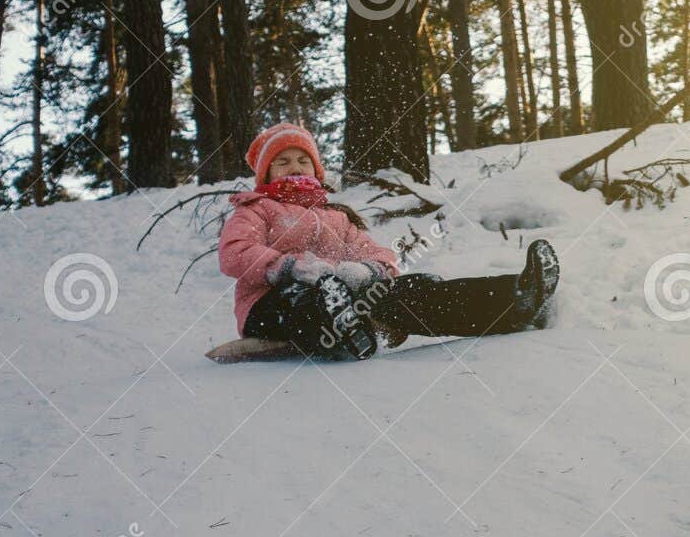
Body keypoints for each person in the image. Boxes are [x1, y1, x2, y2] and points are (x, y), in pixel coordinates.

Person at [218, 123, 559, 360]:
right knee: (306, 299)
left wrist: (368, 271)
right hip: (271, 303)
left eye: (303, 160)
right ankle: (343, 329)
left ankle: (514, 299)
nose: (296, 167)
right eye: (284, 161)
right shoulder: (258, 208)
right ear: (266, 173)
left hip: (342, 295)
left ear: (317, 169)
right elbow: (234, 253)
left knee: (412, 292)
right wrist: (288, 267)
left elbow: (376, 253)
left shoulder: (337, 215)